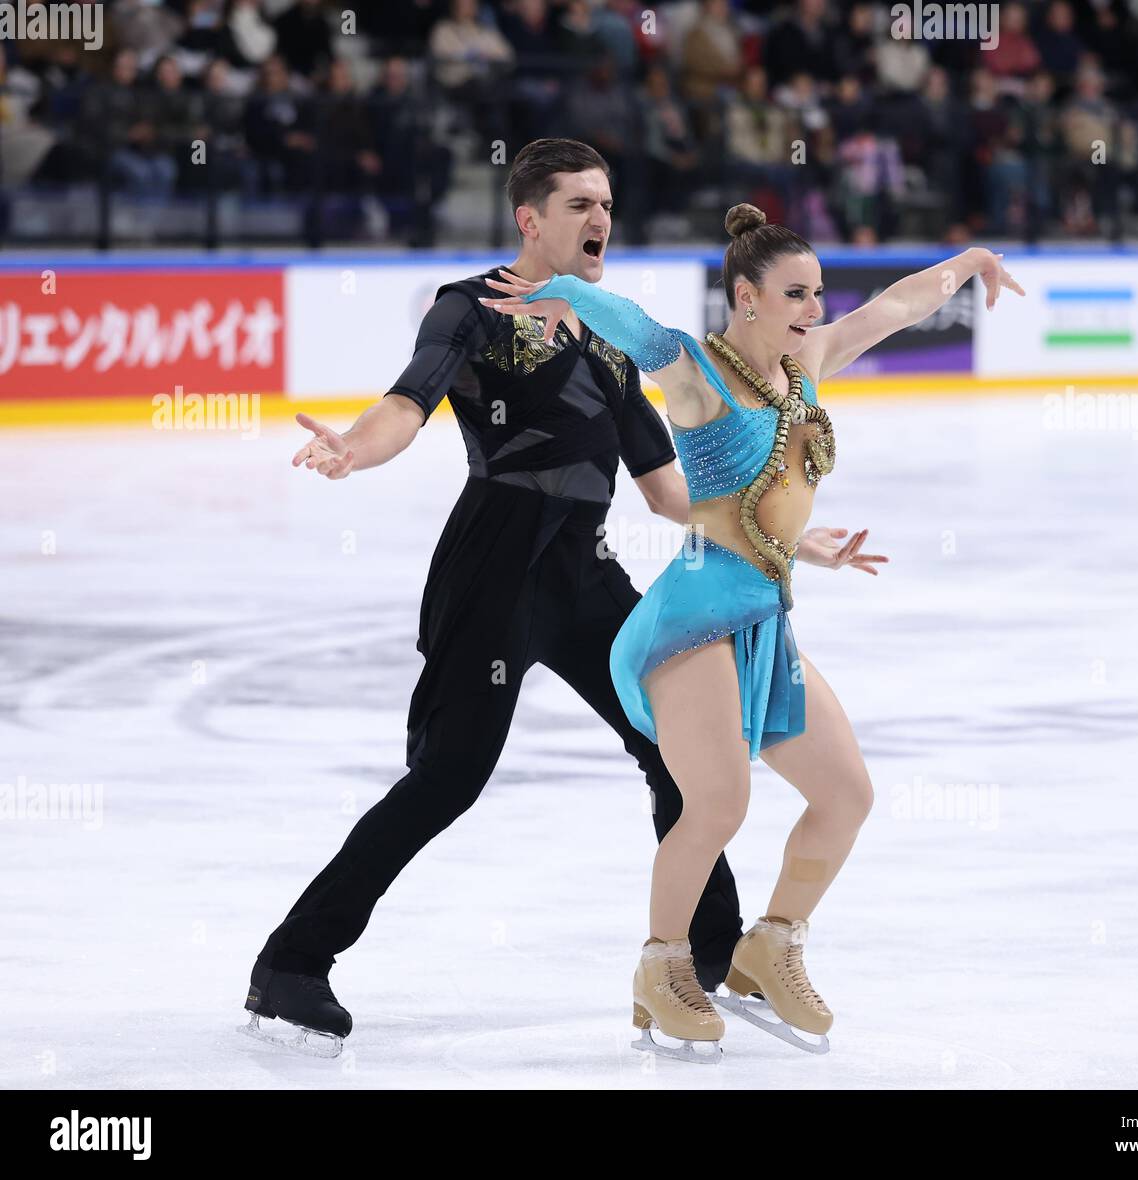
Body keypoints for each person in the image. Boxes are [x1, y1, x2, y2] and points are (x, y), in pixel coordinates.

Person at [241, 140, 863, 1057]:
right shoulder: (472, 309)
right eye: (577, 204)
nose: (598, 220)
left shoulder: (604, 338)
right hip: (493, 565)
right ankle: (290, 966)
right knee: (450, 777)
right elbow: (408, 401)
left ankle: (713, 952)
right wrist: (356, 447)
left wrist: (778, 534)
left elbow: (662, 484)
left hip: (582, 569)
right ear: (529, 220)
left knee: (672, 751)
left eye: (605, 202)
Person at [480, 204, 1023, 1060]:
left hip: (767, 614)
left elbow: (890, 309)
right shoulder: (702, 377)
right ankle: (661, 968)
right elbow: (644, 330)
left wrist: (972, 258)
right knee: (719, 804)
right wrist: (563, 293)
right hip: (695, 617)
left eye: (816, 292)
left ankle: (770, 945)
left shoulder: (806, 366)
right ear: (745, 297)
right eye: (795, 294)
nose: (813, 308)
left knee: (845, 796)